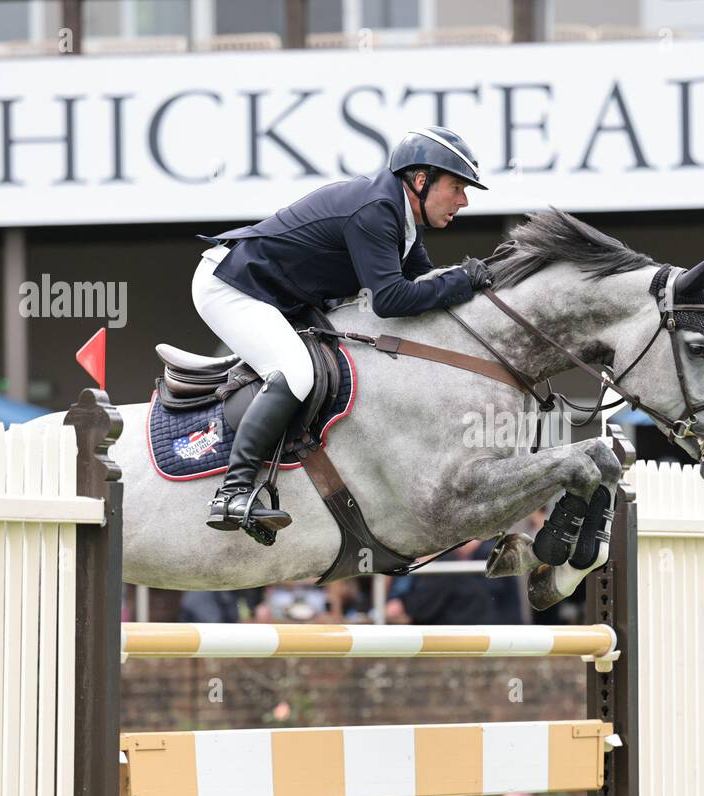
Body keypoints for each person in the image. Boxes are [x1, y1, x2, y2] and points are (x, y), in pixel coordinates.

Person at [191, 127, 495, 533]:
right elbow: (391, 300)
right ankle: (232, 493)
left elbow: (424, 285)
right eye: (456, 186)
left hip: (272, 295)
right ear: (421, 181)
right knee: (297, 371)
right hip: (230, 286)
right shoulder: (377, 211)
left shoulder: (401, 218)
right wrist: (460, 281)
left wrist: (467, 281)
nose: (464, 200)